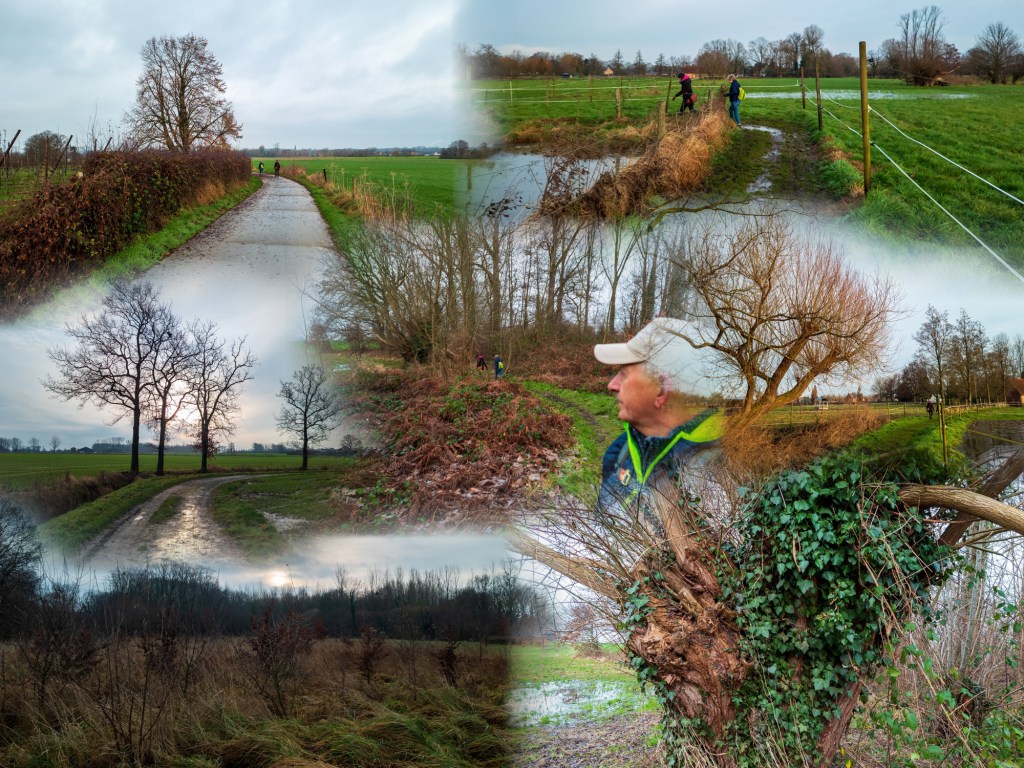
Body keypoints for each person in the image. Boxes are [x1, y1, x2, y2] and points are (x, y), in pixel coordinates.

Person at [595, 319, 726, 535]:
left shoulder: (721, 467)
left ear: (661, 390)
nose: (612, 385)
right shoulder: (619, 452)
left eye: (624, 375)